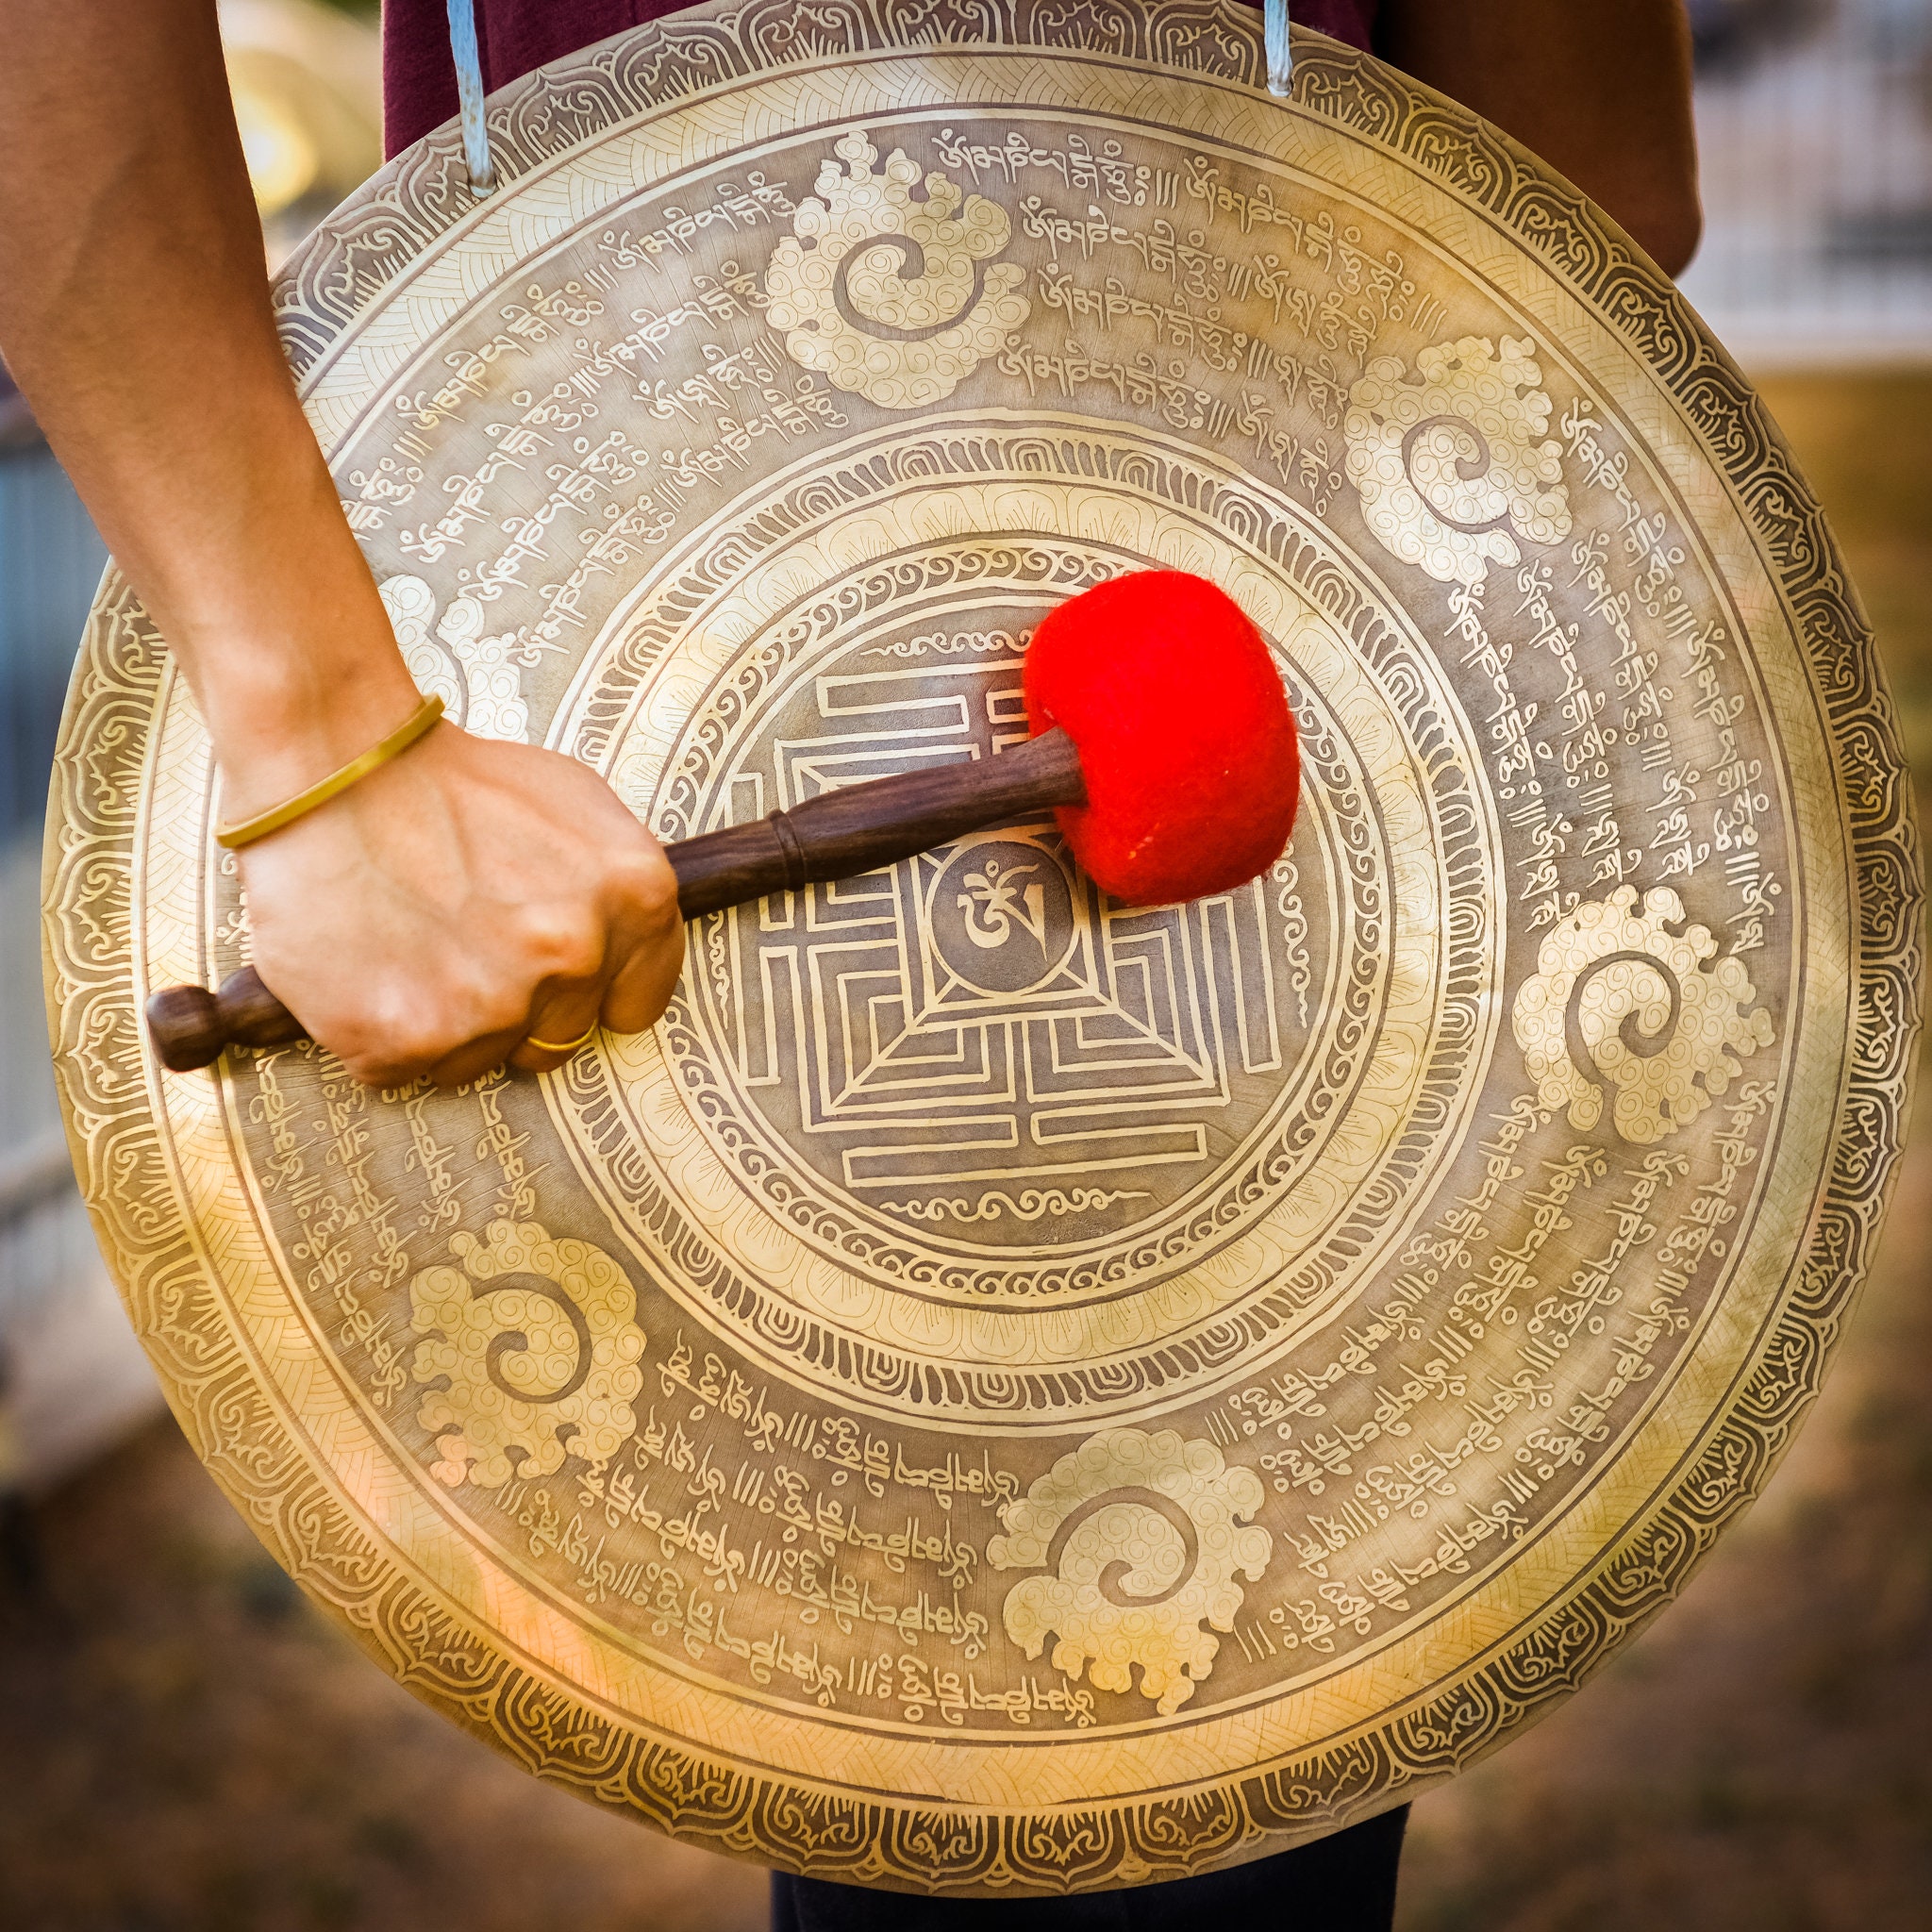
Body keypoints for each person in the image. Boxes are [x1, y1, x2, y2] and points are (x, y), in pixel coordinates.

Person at [0, 3, 1701, 1925]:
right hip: (629, 771)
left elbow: (1596, 206)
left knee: (1114, 1780)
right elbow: (1587, 202)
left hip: (1160, 733)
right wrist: (322, 734)